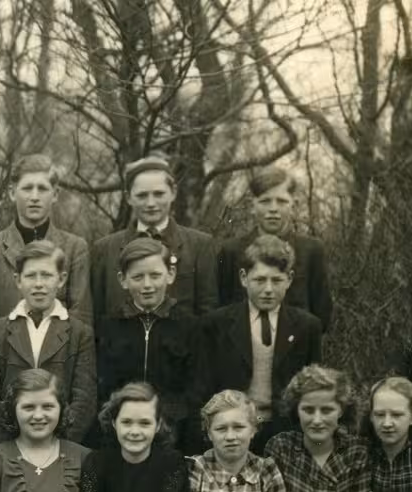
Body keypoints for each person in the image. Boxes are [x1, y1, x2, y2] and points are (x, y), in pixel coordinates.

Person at [199, 236, 323, 451]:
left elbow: (312, 390)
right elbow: (202, 387)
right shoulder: (216, 324)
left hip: (285, 434)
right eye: (259, 280)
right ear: (243, 278)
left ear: (290, 279)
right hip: (231, 432)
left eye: (276, 280)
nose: (268, 289)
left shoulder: (307, 327)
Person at [0, 240, 96, 447]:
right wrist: (3, 450)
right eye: (31, 276)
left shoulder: (80, 334)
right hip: (8, 449)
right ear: (18, 280)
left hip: (61, 449)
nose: (39, 284)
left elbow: (84, 399)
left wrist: (57, 449)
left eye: (47, 275)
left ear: (61, 279)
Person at [94, 238, 204, 451]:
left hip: (173, 434)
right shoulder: (108, 326)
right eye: (137, 277)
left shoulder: (190, 326)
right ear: (123, 280)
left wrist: (165, 419)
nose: (147, 285)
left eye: (155, 275)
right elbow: (102, 386)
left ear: (170, 275)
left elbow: (195, 388)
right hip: (120, 432)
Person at [90, 156, 218, 326]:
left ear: (173, 193)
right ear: (128, 198)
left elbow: (208, 312)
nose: (151, 203)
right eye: (142, 196)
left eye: (159, 194)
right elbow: (97, 315)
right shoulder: (105, 249)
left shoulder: (200, 245)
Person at [0, 153, 92, 325]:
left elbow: (80, 316)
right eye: (27, 188)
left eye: (42, 189)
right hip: (4, 349)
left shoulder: (75, 248)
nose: (35, 197)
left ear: (55, 195)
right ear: (12, 193)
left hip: (59, 349)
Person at [217, 168, 333, 330]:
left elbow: (322, 314)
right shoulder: (231, 251)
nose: (273, 209)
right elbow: (222, 308)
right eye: (265, 201)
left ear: (294, 204)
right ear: (252, 206)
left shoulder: (311, 250)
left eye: (281, 201)